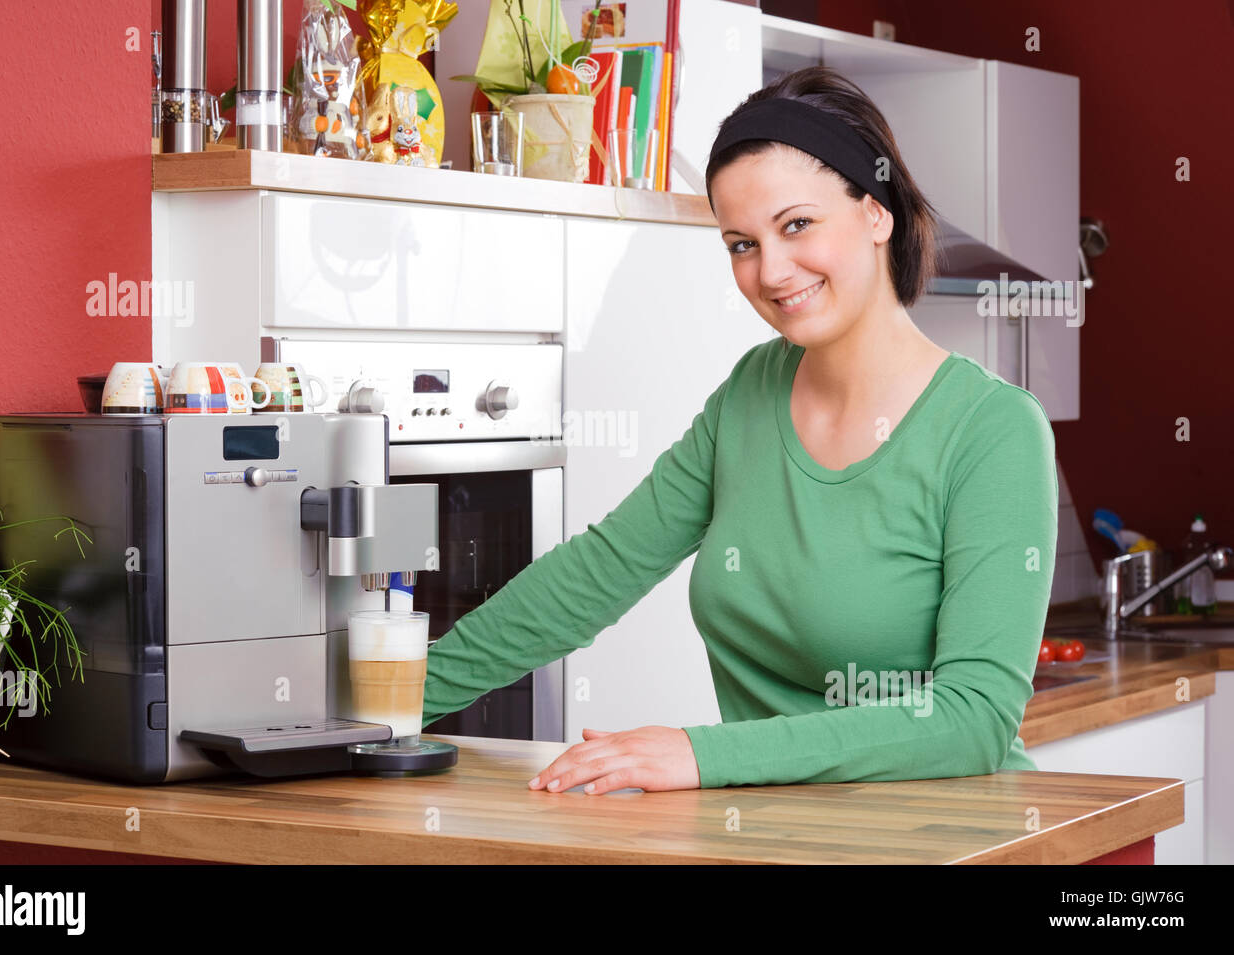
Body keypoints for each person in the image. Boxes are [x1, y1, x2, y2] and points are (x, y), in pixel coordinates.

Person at [421, 66, 1058, 794]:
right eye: (740, 244)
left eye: (796, 225)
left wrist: (701, 755)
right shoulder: (753, 393)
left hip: (948, 841)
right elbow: (595, 576)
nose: (771, 271)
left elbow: (971, 718)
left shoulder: (994, 431)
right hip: (775, 836)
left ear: (875, 211)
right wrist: (379, 711)